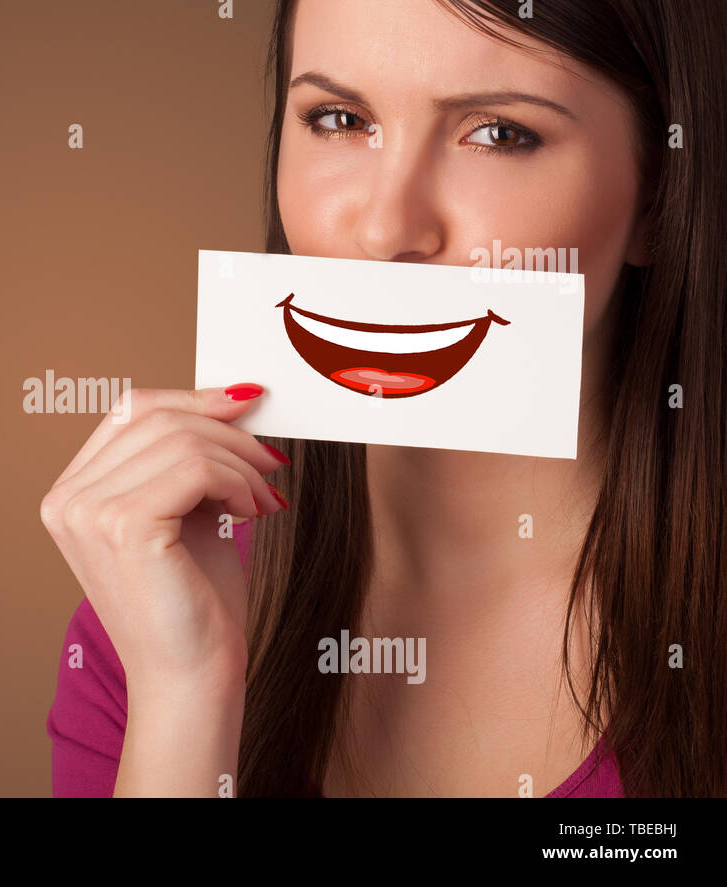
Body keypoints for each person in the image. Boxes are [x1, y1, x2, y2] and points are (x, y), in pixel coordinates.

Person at [41, 0, 727, 797]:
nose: (386, 226)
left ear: (660, 193)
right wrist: (187, 695)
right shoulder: (152, 618)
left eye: (499, 133)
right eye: (337, 118)